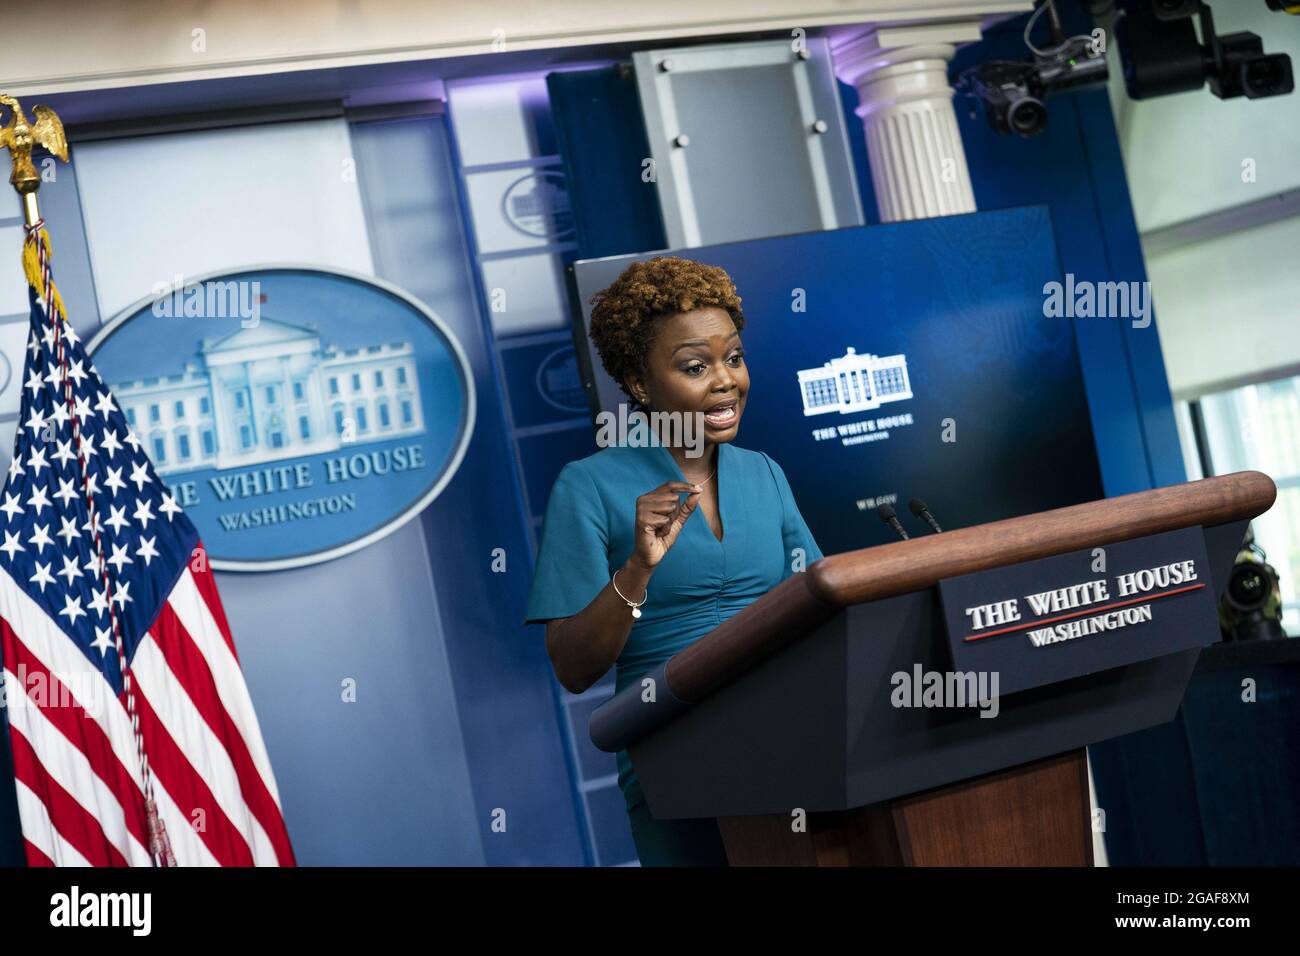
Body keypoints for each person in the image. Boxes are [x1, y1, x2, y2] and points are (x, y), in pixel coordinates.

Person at [524, 256, 823, 866]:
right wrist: (637, 567)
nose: (725, 381)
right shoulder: (588, 487)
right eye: (696, 366)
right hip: (677, 757)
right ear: (638, 383)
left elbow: (822, 600)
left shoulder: (763, 473)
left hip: (796, 739)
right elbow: (574, 667)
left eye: (733, 358)